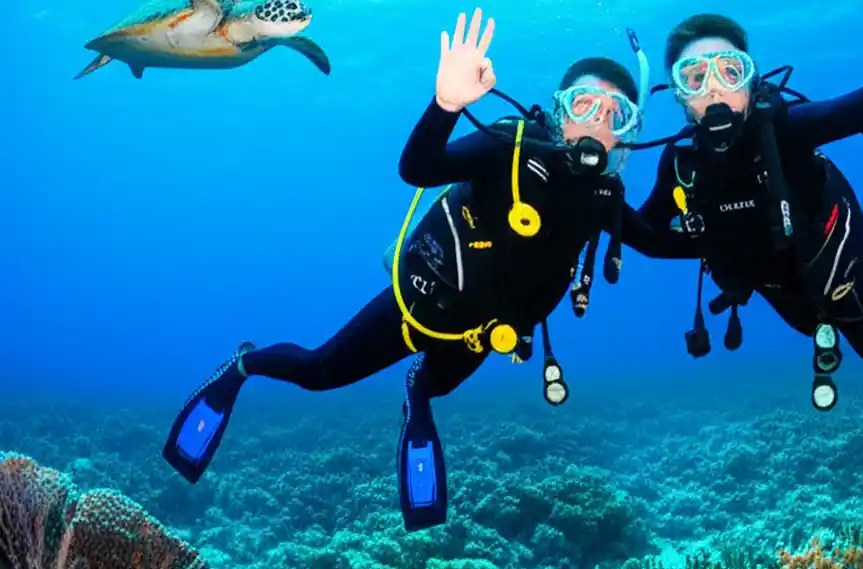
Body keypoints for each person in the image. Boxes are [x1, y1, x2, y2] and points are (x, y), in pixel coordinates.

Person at [162, 8, 648, 530]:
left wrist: (710, 159)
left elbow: (665, 241)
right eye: (583, 104)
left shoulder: (604, 198)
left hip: (482, 335)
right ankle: (244, 364)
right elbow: (416, 168)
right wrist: (446, 106)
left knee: (429, 388)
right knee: (320, 372)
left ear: (628, 133)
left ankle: (415, 391)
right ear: (558, 112)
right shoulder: (508, 145)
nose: (597, 121)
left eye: (614, 114)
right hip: (415, 302)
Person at [621, 0, 863, 421]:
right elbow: (647, 234)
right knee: (812, 328)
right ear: (680, 95)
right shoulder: (682, 163)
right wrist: (591, 191)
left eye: (729, 71)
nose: (715, 88)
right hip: (773, 282)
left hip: (834, 268)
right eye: (695, 77)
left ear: (751, 81)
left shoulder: (788, 129)